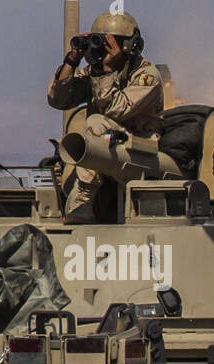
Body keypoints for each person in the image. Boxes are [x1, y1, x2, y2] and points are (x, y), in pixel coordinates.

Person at [47, 12, 163, 221]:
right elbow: (58, 100)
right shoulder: (96, 72)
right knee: (86, 135)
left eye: (110, 43)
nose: (104, 49)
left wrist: (107, 70)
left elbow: (117, 109)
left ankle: (82, 196)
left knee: (94, 121)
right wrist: (71, 62)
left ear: (129, 45)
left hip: (140, 150)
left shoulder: (146, 75)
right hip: (106, 147)